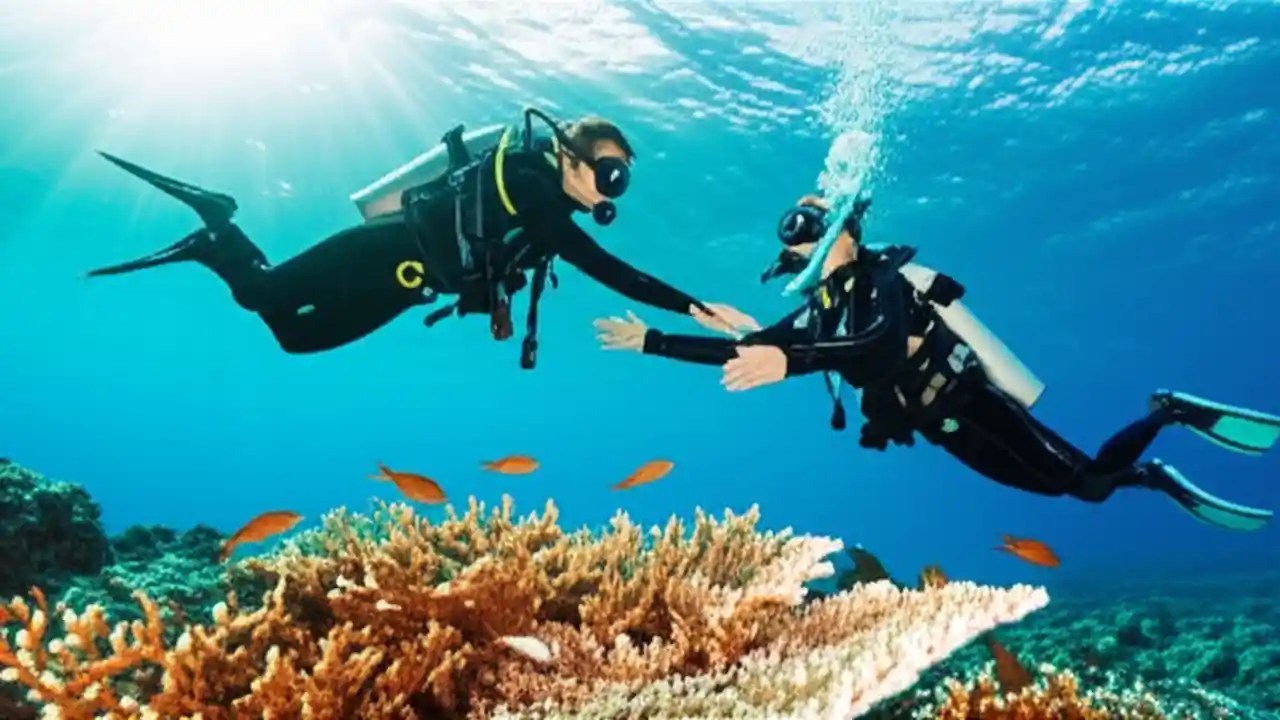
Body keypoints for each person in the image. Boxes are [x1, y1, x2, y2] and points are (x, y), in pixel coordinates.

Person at [594, 193, 1280, 531]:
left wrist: (790, 362)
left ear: (843, 228)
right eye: (794, 226)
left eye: (810, 220)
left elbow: (881, 346)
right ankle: (1152, 470)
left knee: (1090, 484)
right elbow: (745, 348)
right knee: (1067, 491)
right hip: (937, 428)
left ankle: (1166, 418)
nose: (797, 234)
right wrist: (652, 341)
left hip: (972, 402)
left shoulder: (884, 279)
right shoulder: (821, 305)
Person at [86, 108, 753, 368]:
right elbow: (606, 268)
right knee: (261, 294)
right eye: (610, 173)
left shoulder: (548, 213)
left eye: (622, 182)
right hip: (382, 251)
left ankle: (212, 240)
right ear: (570, 158)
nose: (612, 190)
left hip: (406, 286)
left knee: (294, 336)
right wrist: (698, 309)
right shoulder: (530, 182)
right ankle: (217, 224)